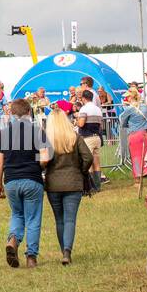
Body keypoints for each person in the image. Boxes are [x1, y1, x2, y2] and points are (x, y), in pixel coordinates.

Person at [0, 98, 50, 268]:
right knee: (33, 218)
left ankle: (13, 240)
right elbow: (45, 158)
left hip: (11, 180)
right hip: (32, 179)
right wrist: (36, 163)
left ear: (11, 113)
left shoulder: (3, 133)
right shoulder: (37, 131)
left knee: (17, 214)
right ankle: (31, 257)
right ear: (28, 112)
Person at [44, 107, 94, 266]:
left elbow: (42, 162)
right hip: (73, 181)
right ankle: (67, 251)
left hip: (53, 183)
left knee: (59, 219)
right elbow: (88, 157)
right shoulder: (75, 137)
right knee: (70, 219)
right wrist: (82, 170)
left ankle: (63, 251)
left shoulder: (46, 140)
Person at [75, 87, 105, 190]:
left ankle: (90, 186)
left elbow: (81, 124)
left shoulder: (84, 108)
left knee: (87, 162)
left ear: (83, 98)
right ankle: (97, 186)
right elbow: (101, 125)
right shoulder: (98, 109)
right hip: (97, 137)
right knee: (96, 163)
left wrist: (76, 120)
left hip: (87, 138)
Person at [117, 94, 147, 177]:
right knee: (146, 155)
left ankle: (138, 178)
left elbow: (122, 120)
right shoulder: (144, 107)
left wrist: (126, 125)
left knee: (135, 156)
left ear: (131, 97)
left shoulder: (130, 109)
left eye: (128, 96)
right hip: (144, 133)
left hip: (134, 134)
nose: (127, 98)